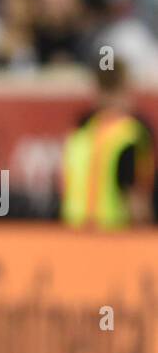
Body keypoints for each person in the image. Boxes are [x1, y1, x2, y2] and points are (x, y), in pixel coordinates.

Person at [61, 60, 155, 229]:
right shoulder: (130, 132)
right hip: (114, 232)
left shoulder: (82, 132)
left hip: (75, 231)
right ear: (125, 86)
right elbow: (135, 200)